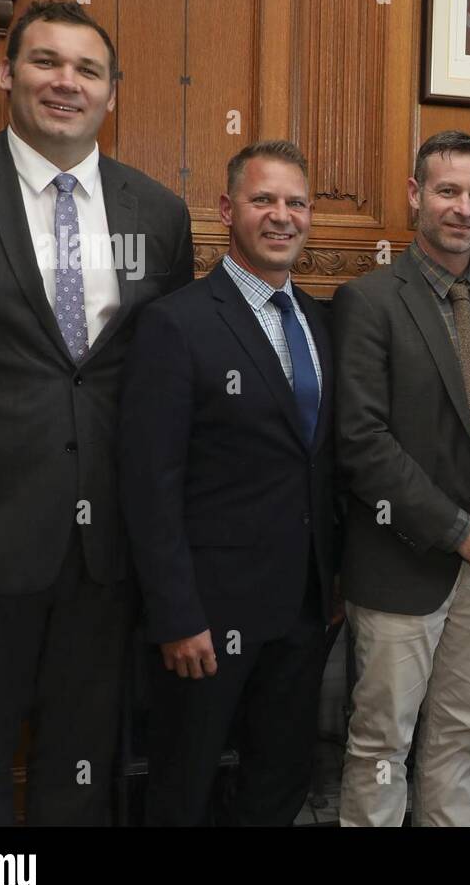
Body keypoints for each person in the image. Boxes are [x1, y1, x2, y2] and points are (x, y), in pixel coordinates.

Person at [0, 0, 193, 825]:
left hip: (103, 550)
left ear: (112, 93)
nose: (67, 82)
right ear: (6, 75)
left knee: (81, 769)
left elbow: (161, 376)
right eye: (46, 62)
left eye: (88, 70)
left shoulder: (157, 214)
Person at [119, 141, 339, 826]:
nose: (282, 216)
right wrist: (176, 616)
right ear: (226, 209)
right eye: (263, 200)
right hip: (207, 621)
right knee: (183, 791)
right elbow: (148, 483)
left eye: (296, 202)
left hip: (305, 612)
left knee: (280, 783)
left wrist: (333, 587)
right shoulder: (175, 323)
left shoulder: (322, 320)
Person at [335, 130, 470, 827]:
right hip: (405, 560)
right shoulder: (369, 301)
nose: (464, 207)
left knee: (459, 738)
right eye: (448, 190)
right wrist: (459, 532)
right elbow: (363, 443)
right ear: (414, 194)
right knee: (380, 743)